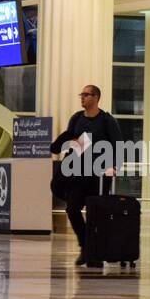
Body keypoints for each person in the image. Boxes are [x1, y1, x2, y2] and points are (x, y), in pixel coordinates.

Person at [51, 84, 122, 265]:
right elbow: (68, 141)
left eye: (86, 95)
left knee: (95, 215)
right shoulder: (76, 119)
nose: (82, 97)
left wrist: (114, 169)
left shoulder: (107, 121)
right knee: (72, 209)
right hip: (78, 175)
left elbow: (118, 147)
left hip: (98, 177)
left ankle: (93, 252)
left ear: (96, 97)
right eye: (81, 94)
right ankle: (86, 246)